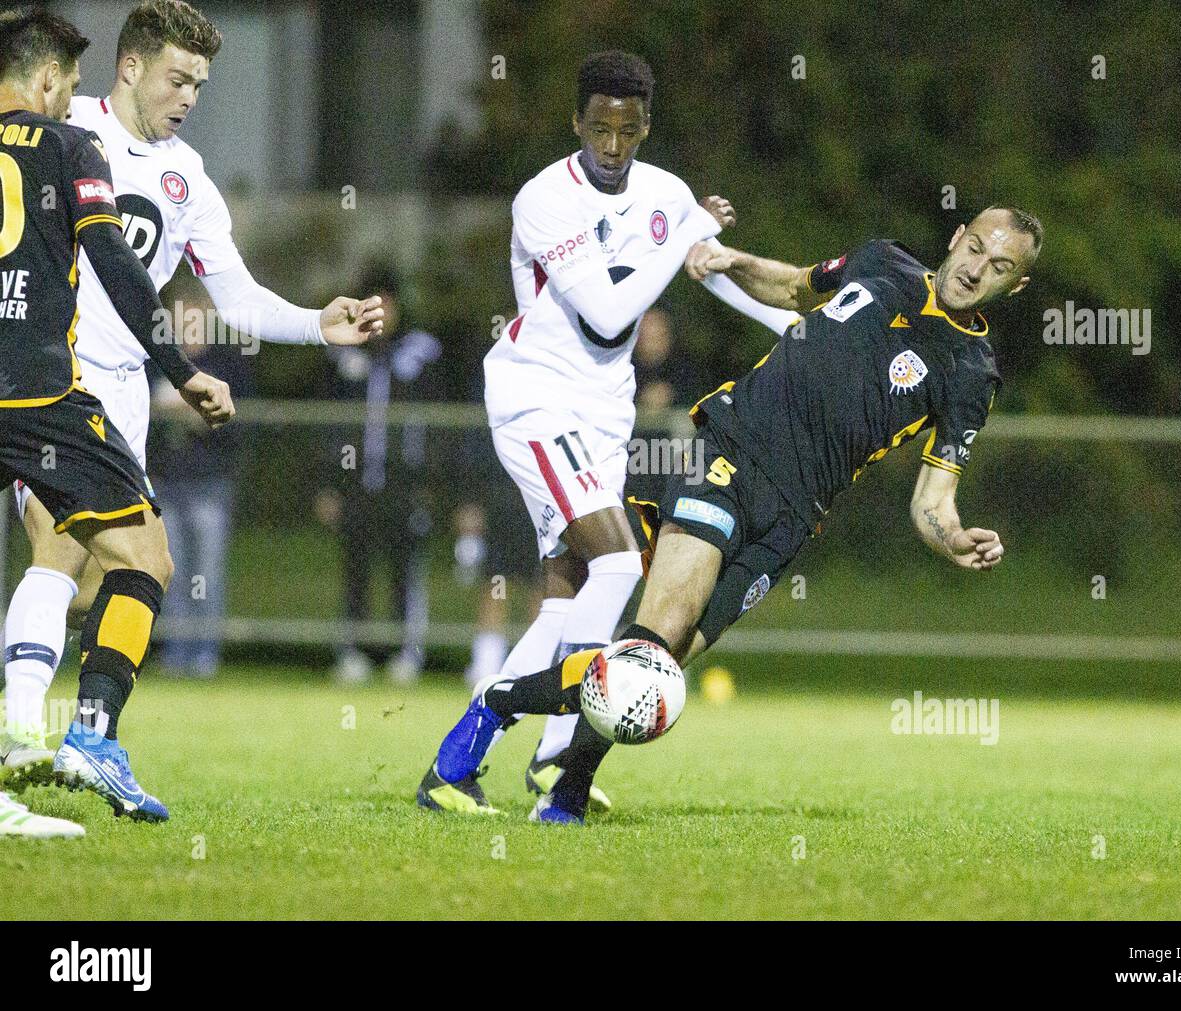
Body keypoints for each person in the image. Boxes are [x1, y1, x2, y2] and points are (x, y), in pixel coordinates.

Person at [426, 206, 1043, 823]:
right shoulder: (884, 262)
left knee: (657, 667)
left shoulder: (970, 372)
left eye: (999, 267)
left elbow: (932, 501)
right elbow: (796, 286)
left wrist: (954, 538)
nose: (976, 268)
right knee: (653, 638)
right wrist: (737, 262)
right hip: (730, 452)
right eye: (976, 248)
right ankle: (521, 750)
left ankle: (551, 772)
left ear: (1014, 287)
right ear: (958, 237)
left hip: (794, 518)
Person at [0, 0, 383, 797]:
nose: (189, 98)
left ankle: (65, 731)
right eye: (178, 78)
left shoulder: (188, 179)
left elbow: (234, 295)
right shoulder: (60, 125)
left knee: (116, 574)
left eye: (201, 85)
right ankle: (34, 728)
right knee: (65, 549)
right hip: (48, 380)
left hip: (126, 394)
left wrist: (319, 323)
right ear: (130, 67)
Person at [414, 50, 795, 815]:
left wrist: (790, 325)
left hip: (603, 410)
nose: (612, 147)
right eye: (598, 129)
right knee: (622, 564)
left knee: (568, 596)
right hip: (538, 399)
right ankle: (557, 757)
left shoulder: (666, 193)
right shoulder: (543, 200)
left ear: (646, 126)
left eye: (627, 131)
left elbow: (708, 269)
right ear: (576, 124)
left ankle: (456, 765)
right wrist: (679, 236)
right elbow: (612, 313)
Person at [0, 7, 233, 826]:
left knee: (61, 557)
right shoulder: (69, 146)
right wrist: (185, 369)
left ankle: (22, 741)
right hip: (36, 396)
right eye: (64, 89)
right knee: (145, 558)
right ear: (47, 83)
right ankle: (85, 735)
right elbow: (118, 265)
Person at [315, 262, 446, 685]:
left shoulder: (421, 352)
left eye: (386, 301)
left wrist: (432, 481)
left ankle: (406, 651)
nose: (381, 310)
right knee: (355, 565)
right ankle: (353, 649)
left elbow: (439, 423)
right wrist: (327, 483)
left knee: (405, 567)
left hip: (405, 480)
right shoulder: (343, 352)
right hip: (357, 480)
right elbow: (326, 424)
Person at [148, 312, 253, 679]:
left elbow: (236, 422)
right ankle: (177, 653)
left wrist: (196, 417)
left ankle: (205, 654)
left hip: (209, 483)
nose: (187, 329)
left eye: (195, 321)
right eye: (180, 321)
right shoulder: (159, 360)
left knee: (206, 573)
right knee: (172, 571)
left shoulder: (225, 363)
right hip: (166, 480)